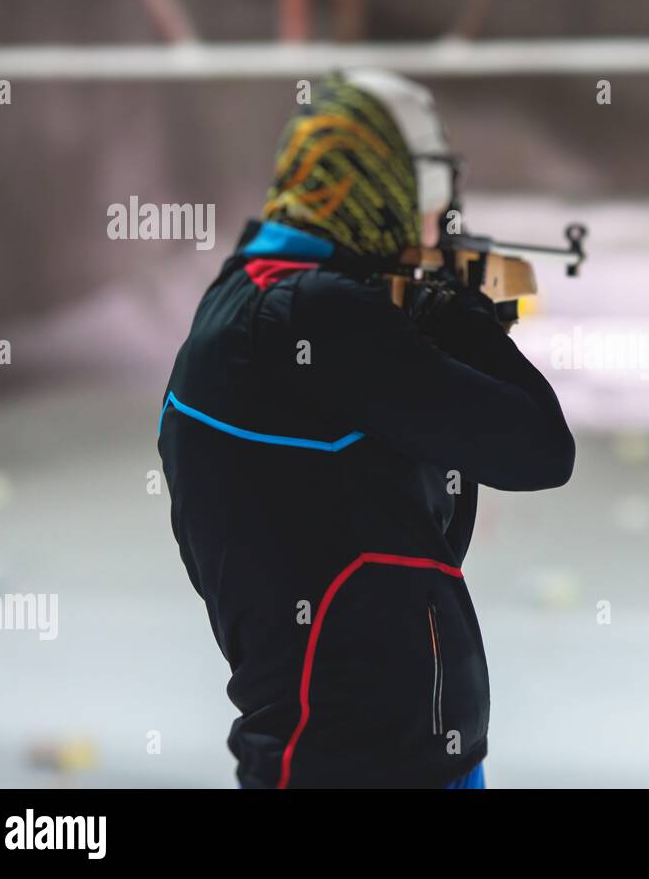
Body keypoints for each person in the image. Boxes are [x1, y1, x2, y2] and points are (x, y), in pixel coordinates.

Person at [157, 71, 575, 788]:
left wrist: (426, 310)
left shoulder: (257, 306)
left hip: (379, 754)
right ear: (374, 189)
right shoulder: (303, 316)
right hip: (357, 763)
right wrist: (460, 315)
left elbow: (412, 528)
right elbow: (538, 445)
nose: (435, 223)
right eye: (427, 200)